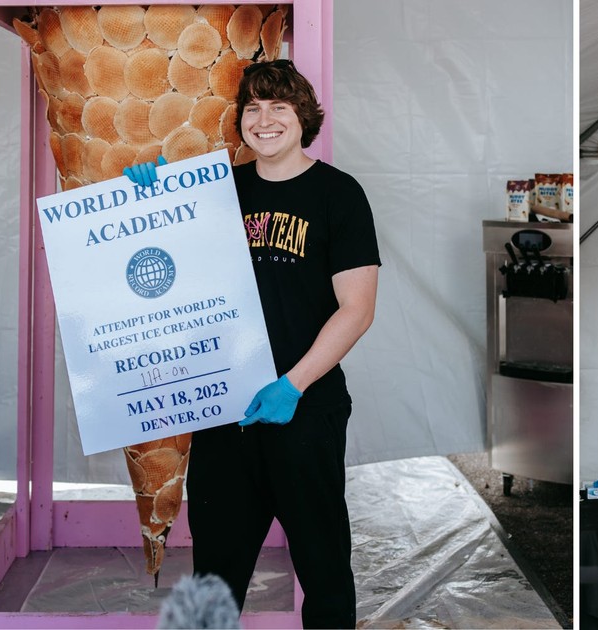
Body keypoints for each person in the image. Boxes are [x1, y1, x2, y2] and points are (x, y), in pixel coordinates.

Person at [126, 59, 380, 628]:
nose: (264, 120)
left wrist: (293, 384)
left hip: (304, 408)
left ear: (303, 117)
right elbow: (163, 269)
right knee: (215, 573)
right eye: (253, 108)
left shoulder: (338, 194)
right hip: (226, 410)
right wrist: (148, 199)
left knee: (323, 565)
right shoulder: (218, 190)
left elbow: (357, 309)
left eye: (279, 107)